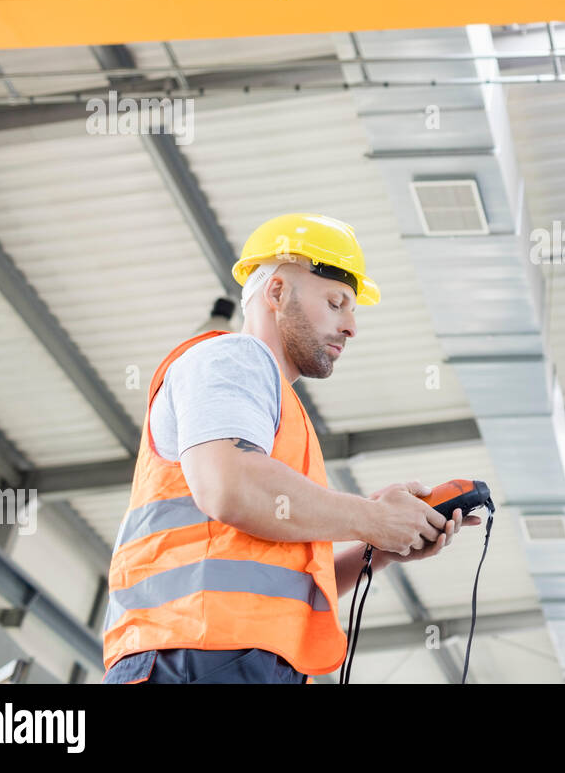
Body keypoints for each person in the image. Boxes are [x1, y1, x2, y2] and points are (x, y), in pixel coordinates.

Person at [102, 213, 478, 683]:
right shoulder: (232, 358)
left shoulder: (277, 414)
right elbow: (228, 487)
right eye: (337, 302)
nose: (351, 327)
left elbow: (283, 578)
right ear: (277, 292)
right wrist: (374, 517)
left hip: (234, 659)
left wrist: (375, 550)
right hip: (191, 652)